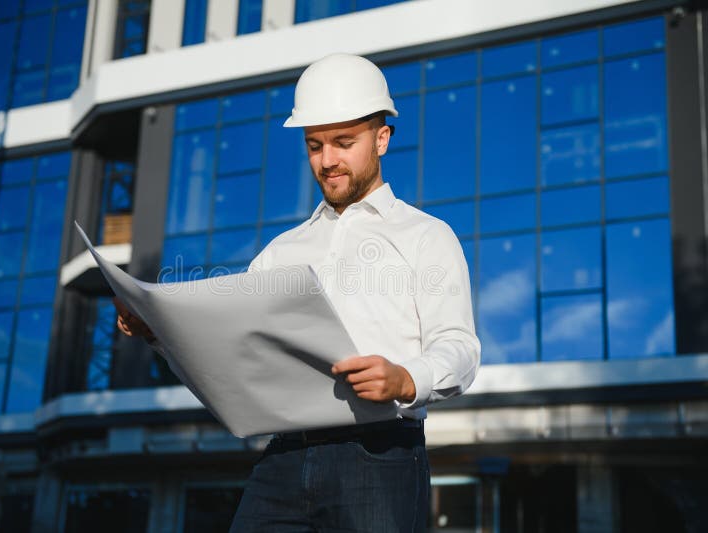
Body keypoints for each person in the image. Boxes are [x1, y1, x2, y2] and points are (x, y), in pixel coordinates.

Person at [115, 53, 480, 532]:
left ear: (382, 139)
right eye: (315, 145)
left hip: (381, 457)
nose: (327, 160)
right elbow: (230, 350)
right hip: (283, 461)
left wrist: (407, 379)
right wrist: (157, 331)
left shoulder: (427, 236)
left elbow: (460, 347)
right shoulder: (280, 252)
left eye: (344, 143)